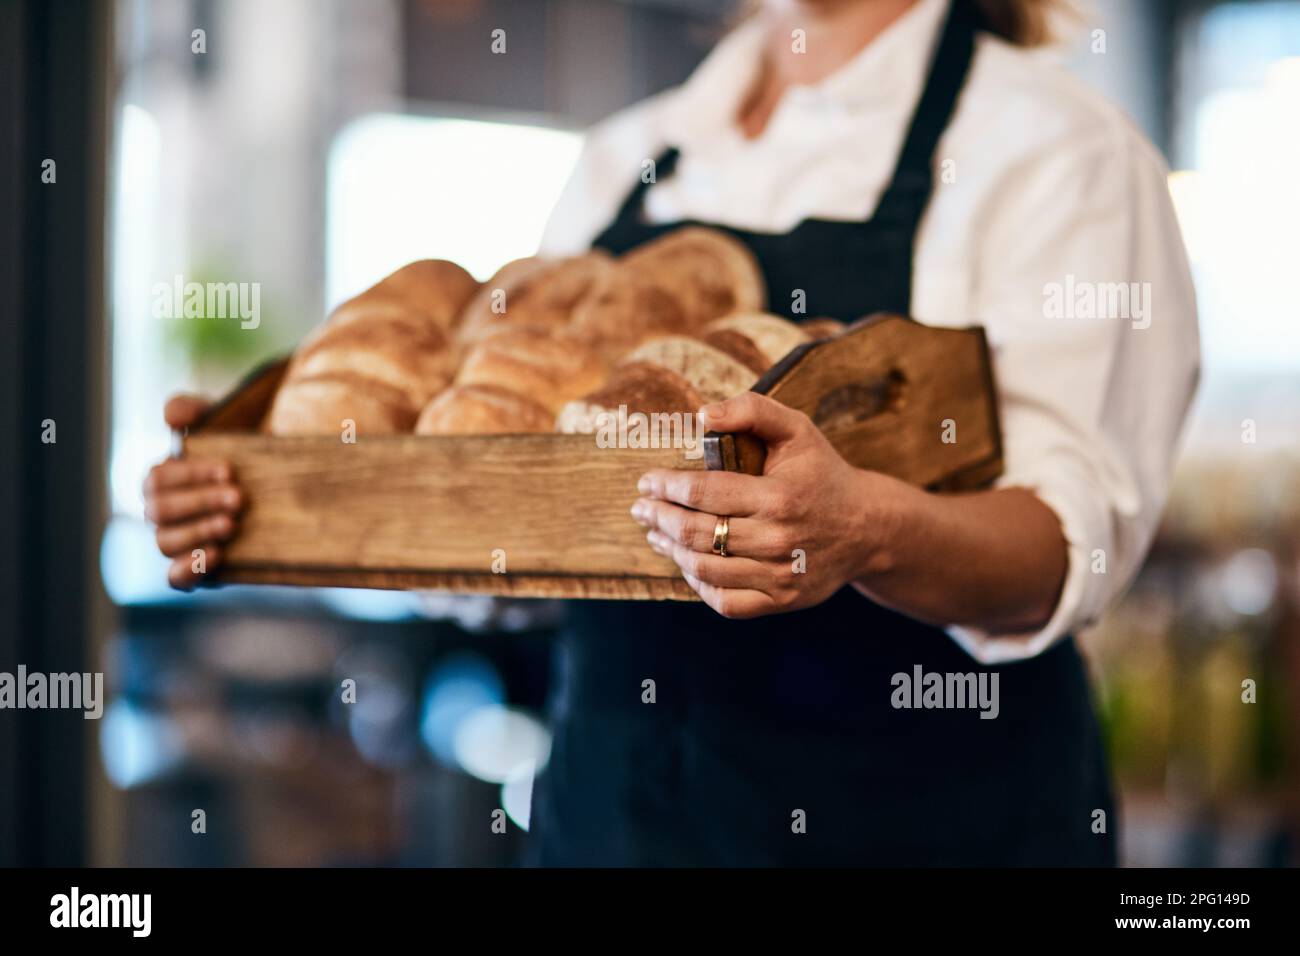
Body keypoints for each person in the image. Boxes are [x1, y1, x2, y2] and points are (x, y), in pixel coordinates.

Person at [144, 0, 1199, 865]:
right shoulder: (631, 154)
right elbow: (542, 519)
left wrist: (865, 531)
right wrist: (270, 495)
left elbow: (1065, 549)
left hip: (924, 829)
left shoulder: (1054, 150)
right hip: (611, 823)